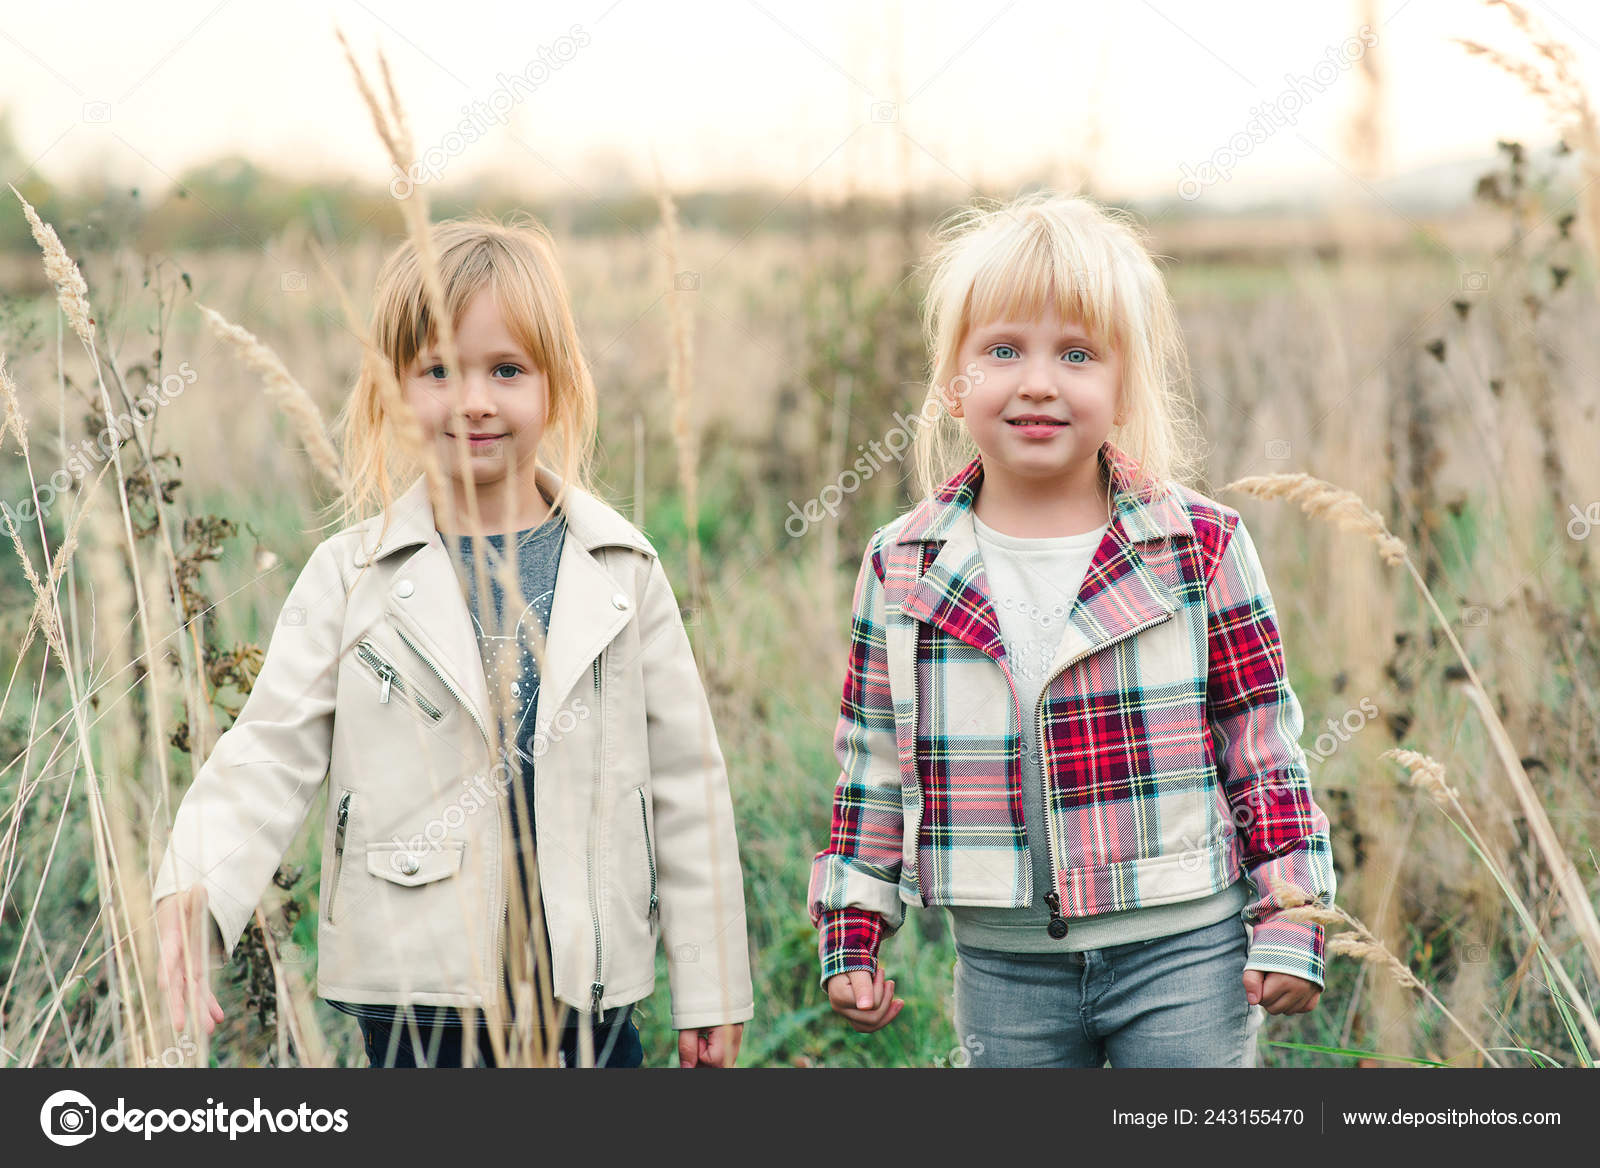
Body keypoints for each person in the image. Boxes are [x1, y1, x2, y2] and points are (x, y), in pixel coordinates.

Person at [153, 214, 752, 1067]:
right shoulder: (349, 577)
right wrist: (197, 886)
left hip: (585, 994)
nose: (473, 400)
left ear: (557, 386)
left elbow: (690, 784)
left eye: (506, 370)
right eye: (437, 370)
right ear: (391, 392)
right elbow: (268, 750)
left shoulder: (621, 571)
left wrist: (711, 982)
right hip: (415, 998)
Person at [808, 191, 1336, 1067]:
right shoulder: (904, 564)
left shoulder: (1196, 547)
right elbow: (871, 760)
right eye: (1004, 350)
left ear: (1124, 387)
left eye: (1078, 354)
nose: (1040, 381)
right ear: (953, 383)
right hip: (1005, 969)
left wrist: (1292, 915)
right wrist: (852, 926)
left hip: (1186, 957)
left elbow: (1262, 748)